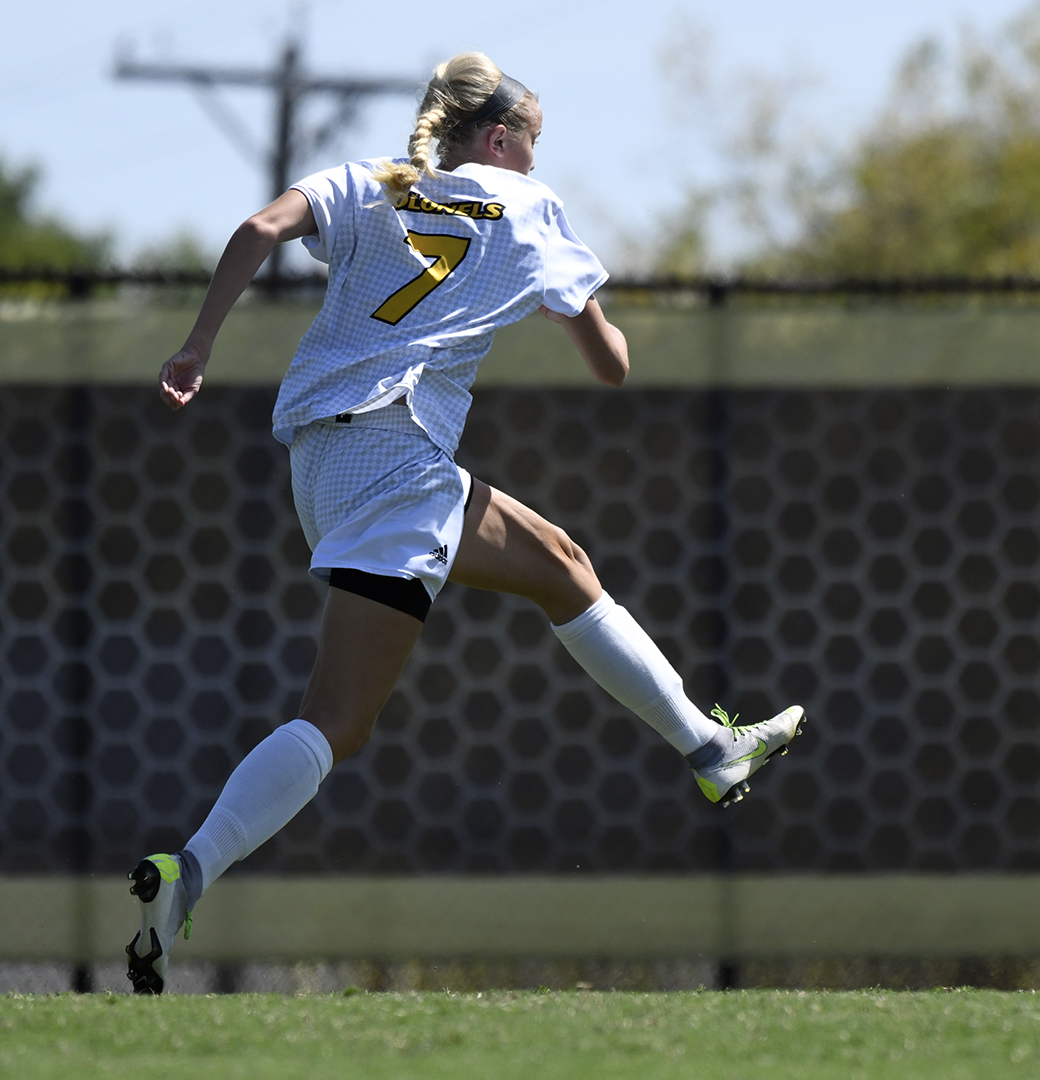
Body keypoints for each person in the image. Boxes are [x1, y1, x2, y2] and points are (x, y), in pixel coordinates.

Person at [126, 52, 805, 992]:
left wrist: (199, 342)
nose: (535, 158)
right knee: (336, 723)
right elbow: (609, 364)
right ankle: (192, 866)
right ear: (499, 138)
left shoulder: (373, 181)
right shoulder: (530, 208)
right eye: (533, 141)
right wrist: (594, 324)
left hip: (321, 461)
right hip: (397, 459)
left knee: (560, 564)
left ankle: (707, 745)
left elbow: (257, 227)